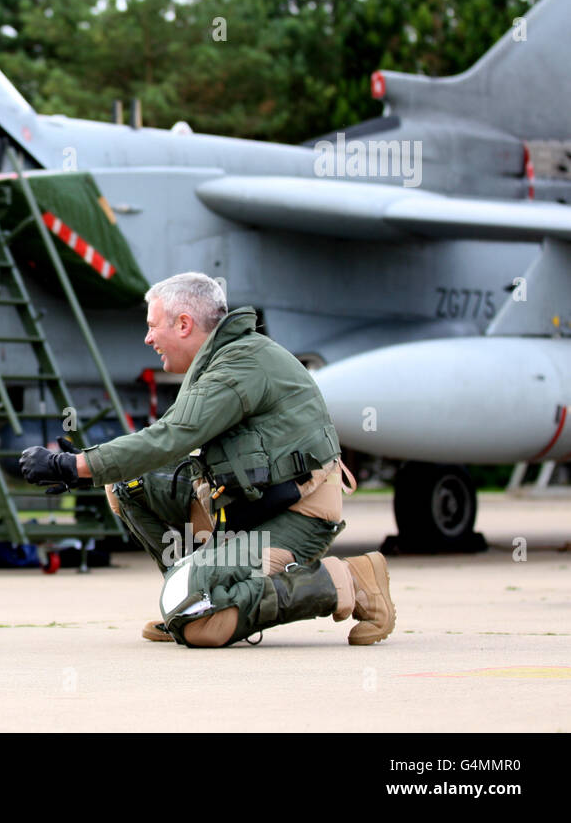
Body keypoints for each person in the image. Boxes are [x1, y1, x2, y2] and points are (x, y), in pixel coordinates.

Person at [20, 272, 395, 648]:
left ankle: (349, 580)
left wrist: (73, 466)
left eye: (152, 327)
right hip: (246, 505)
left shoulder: (237, 367)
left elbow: (169, 438)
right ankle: (193, 595)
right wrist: (90, 469)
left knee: (202, 631)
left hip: (295, 516)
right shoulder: (219, 361)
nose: (148, 338)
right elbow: (165, 439)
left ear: (184, 324)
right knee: (125, 484)